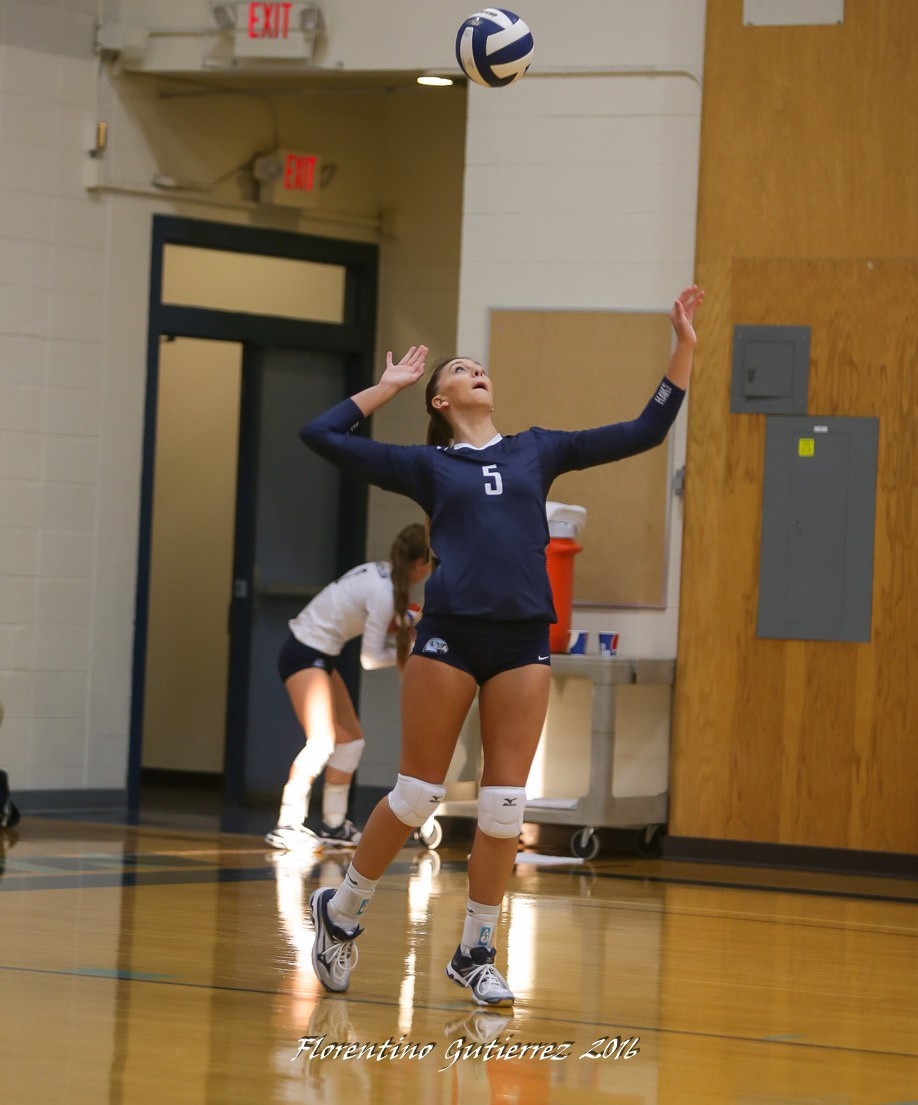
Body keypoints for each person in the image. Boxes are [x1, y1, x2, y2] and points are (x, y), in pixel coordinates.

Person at [299, 284, 703, 1007]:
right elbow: (320, 436)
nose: (474, 369)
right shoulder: (429, 466)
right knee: (418, 793)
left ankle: (475, 950)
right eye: (458, 368)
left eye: (478, 365)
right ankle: (344, 911)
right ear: (439, 400)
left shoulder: (536, 450)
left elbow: (644, 431)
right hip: (451, 635)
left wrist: (684, 349)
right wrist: (383, 388)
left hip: (521, 637)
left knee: (505, 806)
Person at [265, 522, 431, 851]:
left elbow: (376, 619)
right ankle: (286, 824)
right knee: (322, 741)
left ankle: (333, 825)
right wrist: (413, 648)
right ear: (419, 565)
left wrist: (409, 621)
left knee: (351, 741)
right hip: (303, 651)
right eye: (431, 564)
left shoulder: (384, 575)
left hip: (323, 653)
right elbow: (369, 659)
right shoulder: (385, 591)